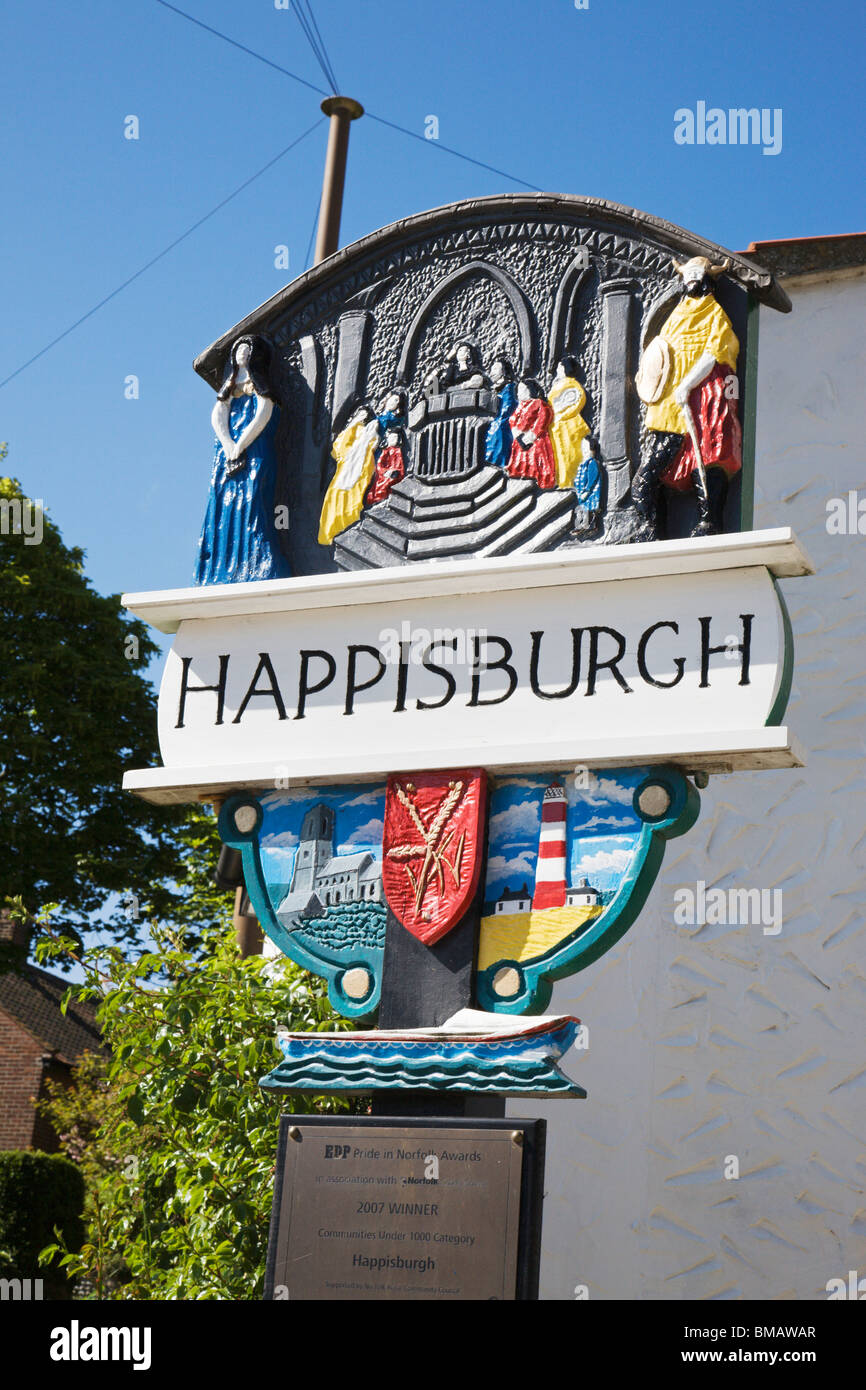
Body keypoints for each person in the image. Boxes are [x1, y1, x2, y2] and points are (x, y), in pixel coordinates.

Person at [632, 255, 742, 538]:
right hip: (668, 409)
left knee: (705, 465)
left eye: (697, 273)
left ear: (707, 278)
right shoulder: (675, 316)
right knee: (645, 481)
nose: (691, 278)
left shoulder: (715, 314)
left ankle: (709, 522)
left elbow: (715, 353)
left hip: (699, 405)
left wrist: (688, 385)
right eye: (687, 273)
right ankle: (650, 529)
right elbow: (660, 355)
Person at [194, 335, 292, 584]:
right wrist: (228, 443)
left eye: (247, 349)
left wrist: (241, 443)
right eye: (238, 349)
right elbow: (219, 413)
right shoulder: (230, 386)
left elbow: (263, 414)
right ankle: (220, 565)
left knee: (253, 500)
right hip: (227, 456)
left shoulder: (260, 385)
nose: (242, 353)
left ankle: (256, 561)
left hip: (254, 449)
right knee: (223, 503)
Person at [317, 405, 380, 546]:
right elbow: (338, 449)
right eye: (360, 413)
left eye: (364, 415)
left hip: (358, 471)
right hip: (344, 471)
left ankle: (347, 530)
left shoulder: (366, 432)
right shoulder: (351, 430)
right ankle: (328, 536)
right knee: (333, 500)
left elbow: (370, 449)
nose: (362, 416)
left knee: (352, 501)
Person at [548, 356, 590, 489]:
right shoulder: (559, 384)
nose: (558, 370)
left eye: (560, 367)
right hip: (557, 424)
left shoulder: (572, 385)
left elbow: (576, 403)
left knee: (568, 453)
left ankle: (568, 482)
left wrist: (561, 416)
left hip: (568, 425)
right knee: (558, 454)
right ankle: (561, 480)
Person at [506, 378, 556, 489]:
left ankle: (537, 480)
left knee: (535, 460)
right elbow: (513, 420)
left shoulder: (540, 404)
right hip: (519, 440)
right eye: (518, 390)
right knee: (520, 459)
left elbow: (542, 420)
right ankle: (521, 477)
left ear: (530, 390)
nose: (519, 393)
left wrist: (531, 435)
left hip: (535, 441)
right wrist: (515, 431)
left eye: (522, 389)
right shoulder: (520, 406)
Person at [364, 390, 407, 506]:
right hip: (373, 447)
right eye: (393, 399)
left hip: (380, 447)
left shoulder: (394, 419)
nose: (394, 402)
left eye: (397, 401)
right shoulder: (380, 416)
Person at [485, 358, 517, 469]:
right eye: (491, 369)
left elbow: (508, 406)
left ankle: (498, 463)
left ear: (503, 372)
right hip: (493, 420)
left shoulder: (508, 387)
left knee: (498, 431)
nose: (492, 372)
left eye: (495, 369)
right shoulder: (492, 389)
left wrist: (496, 420)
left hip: (502, 422)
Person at [572, 435, 603, 536]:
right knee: (584, 509)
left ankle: (592, 526)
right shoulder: (583, 464)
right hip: (582, 491)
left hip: (590, 493)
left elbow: (592, 478)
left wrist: (587, 491)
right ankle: (584, 525)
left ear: (593, 451)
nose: (584, 451)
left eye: (587, 448)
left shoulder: (592, 463)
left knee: (590, 509)